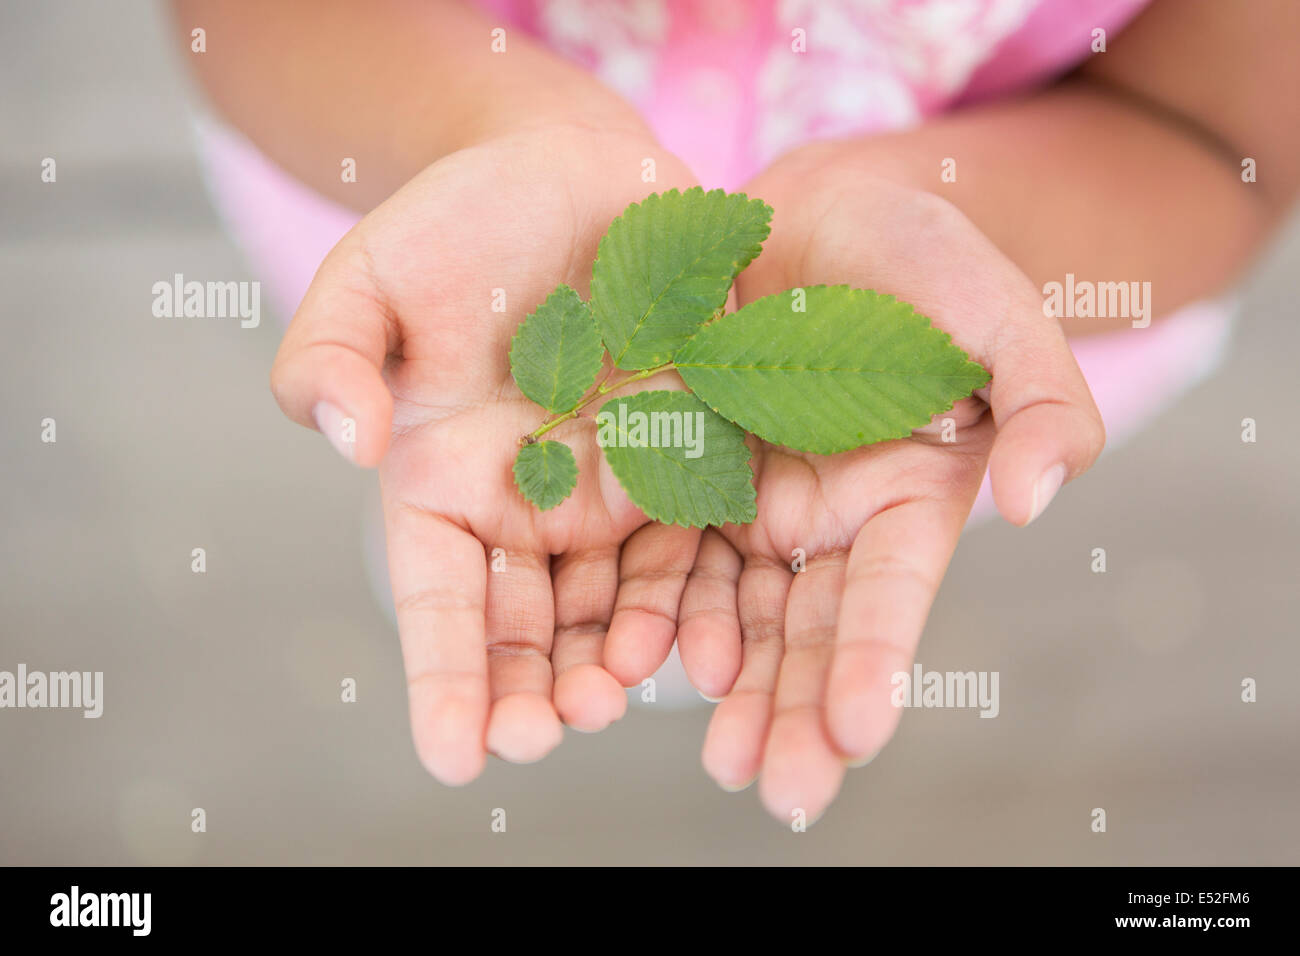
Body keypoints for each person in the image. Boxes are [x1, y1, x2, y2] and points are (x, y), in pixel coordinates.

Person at [173, 0, 1300, 823]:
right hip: (466, 239)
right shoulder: (534, 342)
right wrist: (495, 124)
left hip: (970, 269)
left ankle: (604, 572)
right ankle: (532, 536)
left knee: (883, 485)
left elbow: (1220, 143)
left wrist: (935, 207)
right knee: (459, 437)